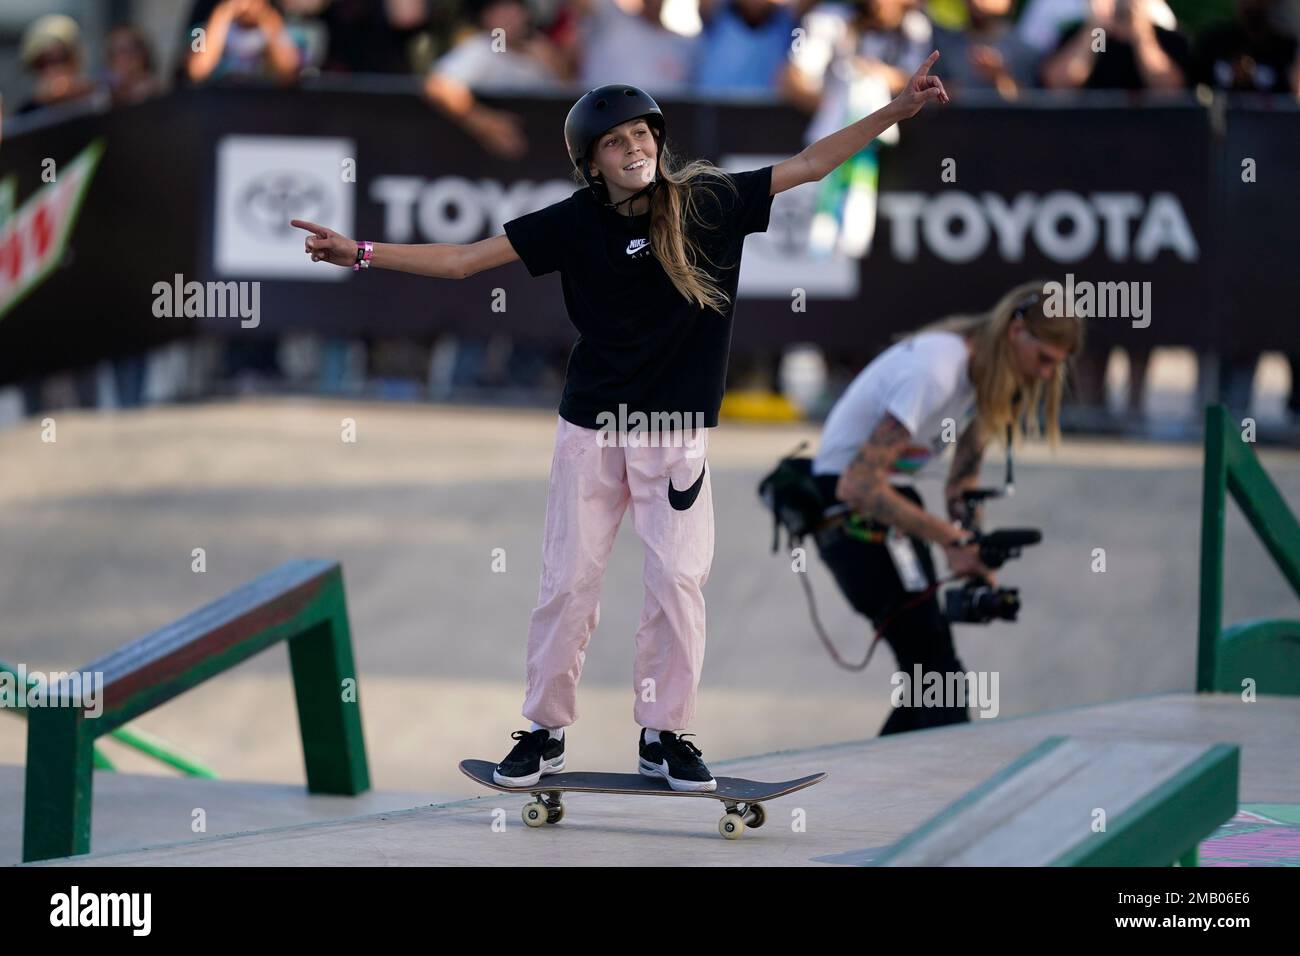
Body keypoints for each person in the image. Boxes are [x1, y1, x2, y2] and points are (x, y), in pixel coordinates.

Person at [292, 56, 949, 789]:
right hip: (590, 430)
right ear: (591, 162)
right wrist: (361, 254)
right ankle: (543, 732)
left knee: (676, 583)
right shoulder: (576, 223)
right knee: (568, 582)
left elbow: (812, 163)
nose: (634, 147)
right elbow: (462, 260)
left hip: (676, 437)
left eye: (642, 133)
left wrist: (897, 108)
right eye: (615, 141)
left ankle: (663, 732)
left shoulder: (709, 202)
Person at [810, 282, 1083, 734]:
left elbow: (962, 484)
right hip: (843, 507)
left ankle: (888, 785)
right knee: (935, 670)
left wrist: (974, 547)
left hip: (887, 499)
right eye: (1045, 360)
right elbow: (856, 484)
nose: (1048, 376)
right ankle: (930, 784)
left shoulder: (991, 378)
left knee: (931, 671)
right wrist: (949, 537)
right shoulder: (936, 370)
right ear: (1016, 331)